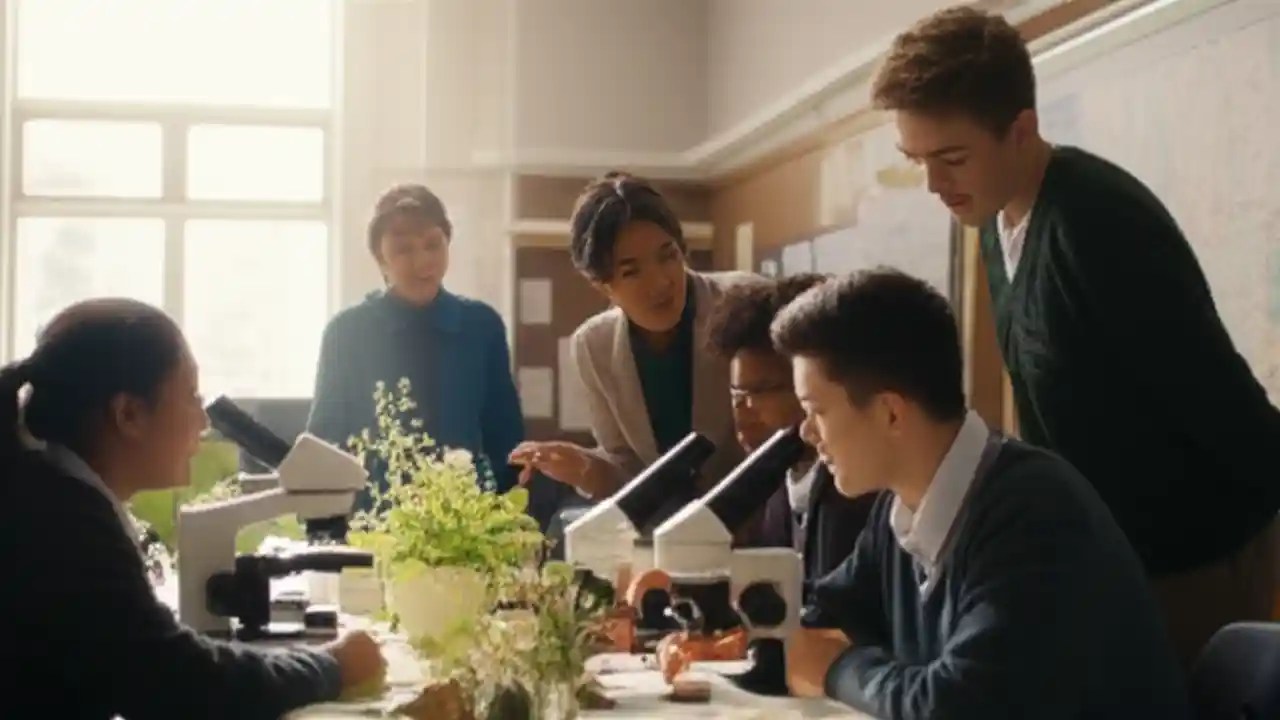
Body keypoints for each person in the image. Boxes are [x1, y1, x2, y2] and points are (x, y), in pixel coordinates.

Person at [871, 5, 1280, 669]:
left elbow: (1224, 409)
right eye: (917, 160)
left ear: (1021, 130)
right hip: (1107, 562)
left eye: (952, 159)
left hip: (1193, 563)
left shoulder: (1097, 224)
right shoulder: (993, 219)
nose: (934, 186)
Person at [775, 271, 1190, 719]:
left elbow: (958, 707)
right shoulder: (899, 510)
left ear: (891, 412)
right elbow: (823, 616)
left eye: (816, 410)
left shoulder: (1035, 514)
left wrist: (837, 669)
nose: (806, 432)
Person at [0, 298, 386, 719]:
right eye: (190, 395)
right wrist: (331, 666)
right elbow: (178, 682)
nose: (203, 421)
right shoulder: (64, 525)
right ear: (129, 414)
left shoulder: (53, 494)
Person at [510, 172, 753, 523]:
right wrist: (585, 467)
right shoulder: (594, 345)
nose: (660, 282)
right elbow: (626, 471)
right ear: (602, 284)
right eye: (631, 271)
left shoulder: (743, 302)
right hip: (663, 533)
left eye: (668, 256)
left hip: (758, 526)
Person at [307, 184, 524, 525]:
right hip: (374, 520)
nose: (422, 261)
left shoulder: (481, 326)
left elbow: (506, 438)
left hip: (462, 521)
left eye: (433, 245)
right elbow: (325, 442)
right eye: (403, 249)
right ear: (380, 258)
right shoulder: (347, 332)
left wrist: (502, 518)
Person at [704, 272, 879, 588]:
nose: (743, 409)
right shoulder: (776, 481)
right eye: (737, 393)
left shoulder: (858, 488)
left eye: (762, 390)